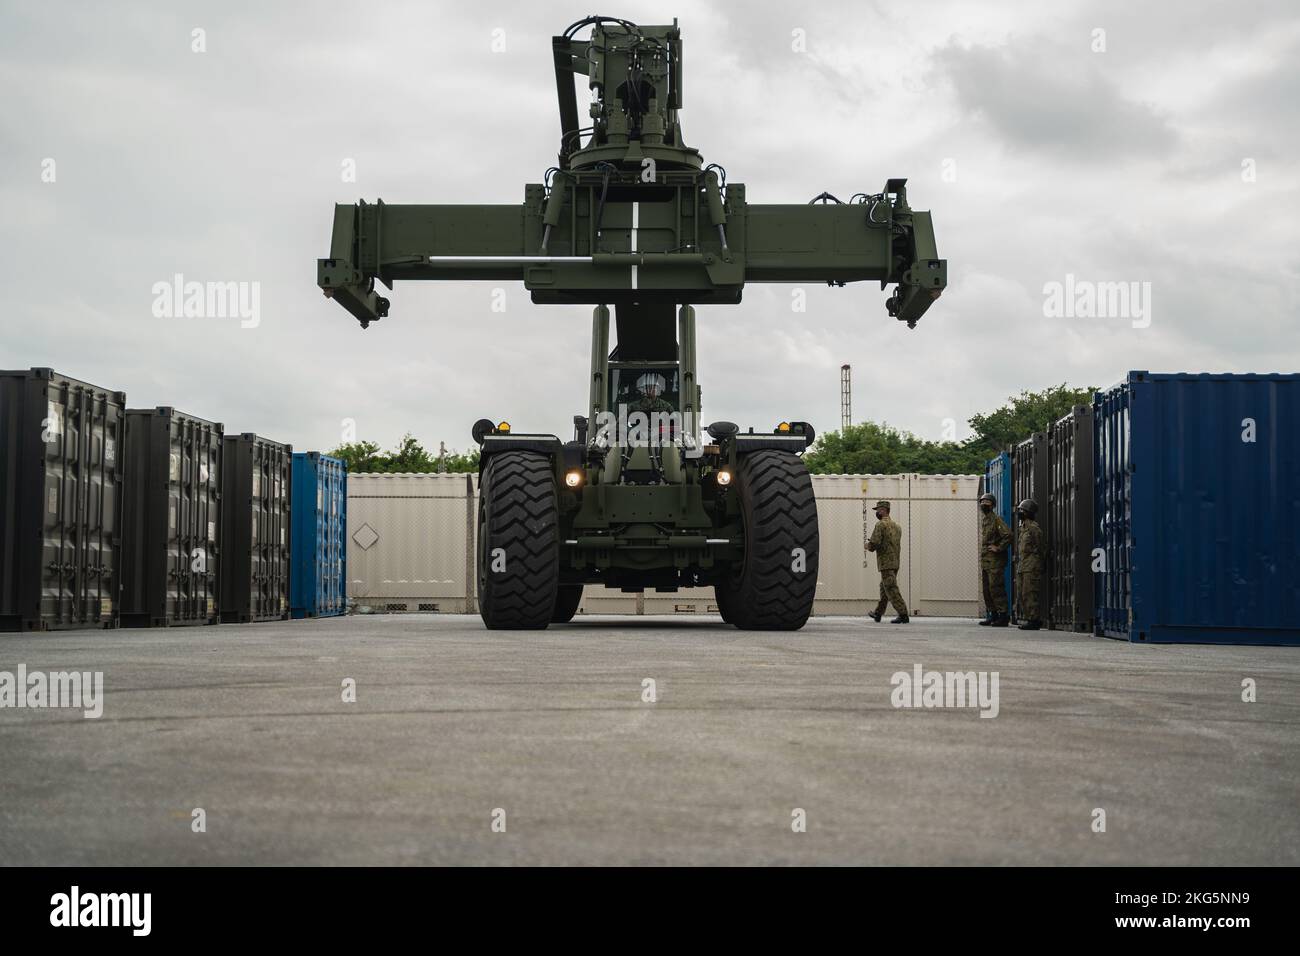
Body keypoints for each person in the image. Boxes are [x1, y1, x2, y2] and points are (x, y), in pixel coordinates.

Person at [866, 500, 909, 624]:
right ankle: (878, 613)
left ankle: (903, 614)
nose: (877, 512)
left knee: (891, 588)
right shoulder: (897, 526)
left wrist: (868, 546)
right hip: (895, 562)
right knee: (884, 588)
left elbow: (875, 543)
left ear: (884, 510)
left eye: (878, 510)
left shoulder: (880, 525)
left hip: (886, 563)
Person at [978, 492, 1011, 627]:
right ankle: (993, 614)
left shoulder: (996, 520)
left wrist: (999, 548)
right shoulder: (985, 520)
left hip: (995, 561)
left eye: (987, 502)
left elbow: (1008, 535)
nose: (984, 504)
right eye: (982, 502)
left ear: (993, 505)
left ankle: (1003, 615)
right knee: (986, 589)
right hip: (986, 561)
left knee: (995, 588)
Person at [1014, 498, 1045, 630]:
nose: (1021, 512)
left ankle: (1034, 619)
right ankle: (1029, 618)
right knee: (1022, 593)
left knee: (1029, 593)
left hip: (1032, 566)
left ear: (1029, 513)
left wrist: (1039, 564)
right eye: (1020, 510)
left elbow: (1041, 546)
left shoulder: (1033, 528)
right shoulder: (1023, 528)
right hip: (1023, 566)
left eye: (1023, 511)